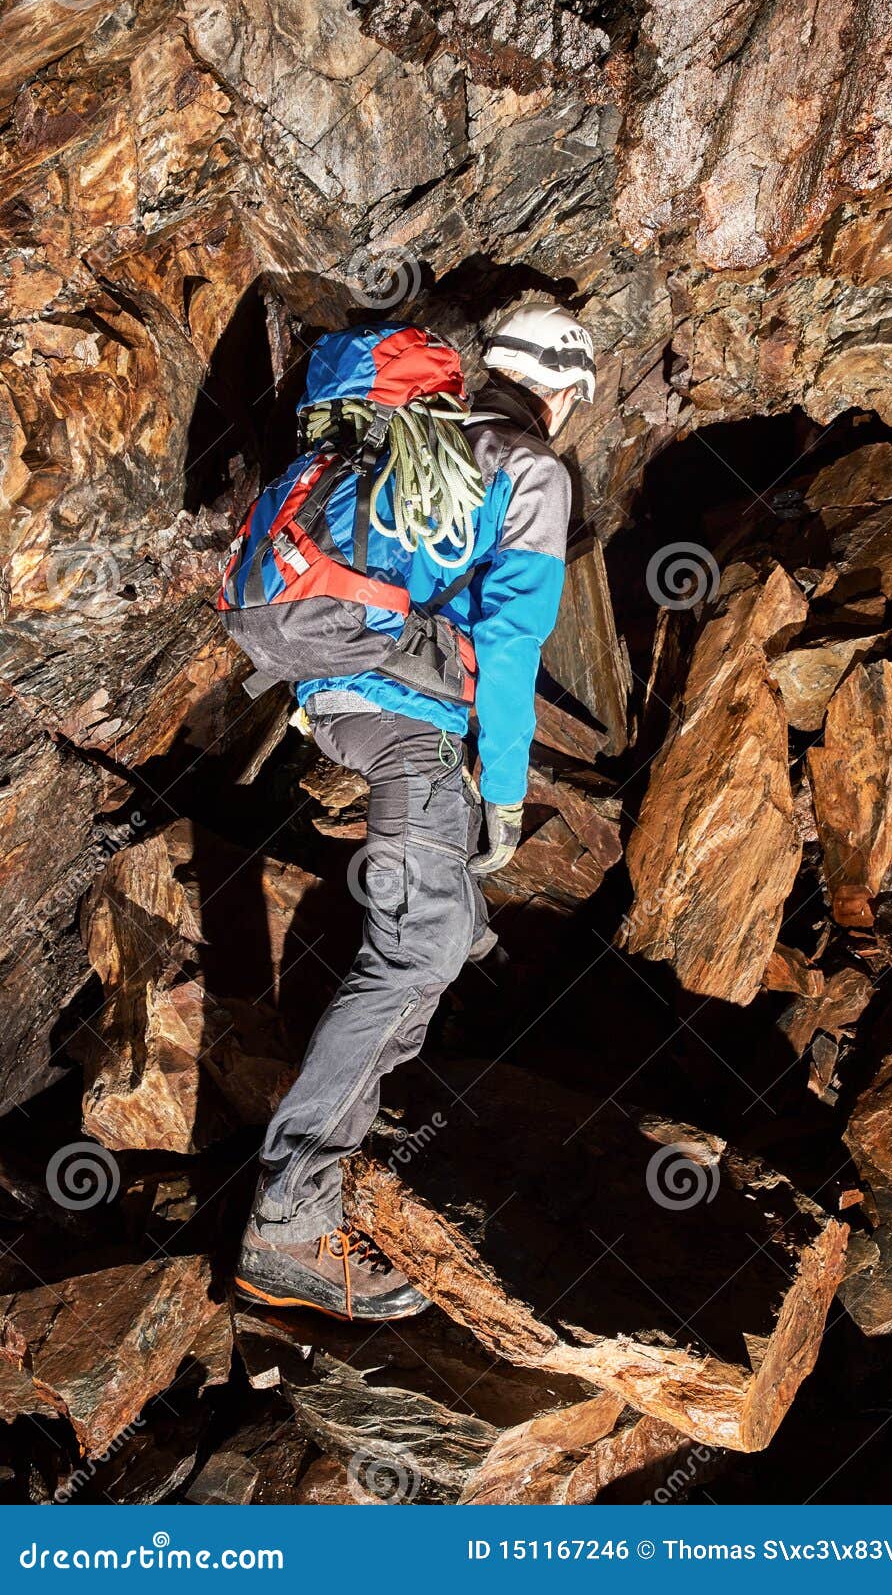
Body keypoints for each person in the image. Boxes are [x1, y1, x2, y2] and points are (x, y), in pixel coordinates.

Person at [234, 303, 596, 1320]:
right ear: (562, 391)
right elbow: (515, 645)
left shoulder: (411, 444)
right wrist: (510, 791)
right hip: (403, 721)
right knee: (421, 943)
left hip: (330, 696)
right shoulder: (531, 471)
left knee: (448, 929)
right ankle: (291, 1217)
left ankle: (357, 1112)